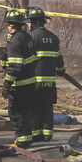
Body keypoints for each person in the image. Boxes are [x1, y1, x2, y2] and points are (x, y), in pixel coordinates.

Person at [27, 7, 65, 143]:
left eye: (29, 22)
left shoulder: (31, 37)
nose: (27, 25)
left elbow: (27, 59)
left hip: (34, 81)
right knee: (47, 108)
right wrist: (61, 70)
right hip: (50, 82)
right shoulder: (54, 38)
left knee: (34, 107)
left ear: (35, 22)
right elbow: (59, 59)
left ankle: (37, 134)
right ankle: (48, 135)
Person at [1, 9, 38, 149]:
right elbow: (33, 59)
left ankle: (22, 140)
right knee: (25, 112)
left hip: (19, 85)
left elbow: (15, 67)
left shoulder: (15, 41)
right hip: (30, 82)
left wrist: (6, 84)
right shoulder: (27, 37)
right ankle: (27, 139)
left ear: (11, 25)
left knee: (16, 112)